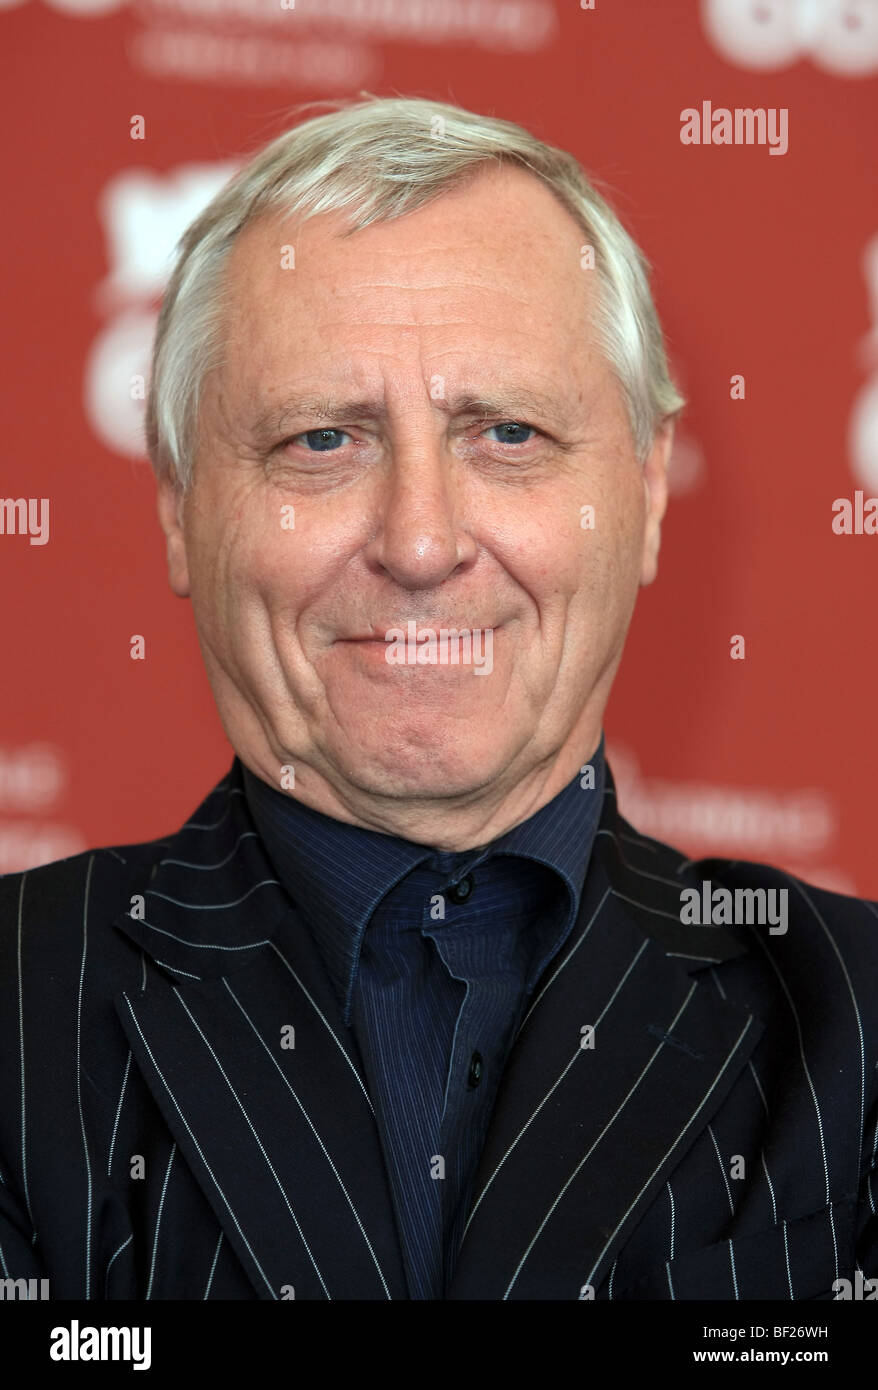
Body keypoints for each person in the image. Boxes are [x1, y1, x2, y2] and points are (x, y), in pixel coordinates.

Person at [1, 95, 876, 1302]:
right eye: (321, 441)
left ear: (647, 493)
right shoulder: (10, 1007)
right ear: (179, 512)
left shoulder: (855, 1023)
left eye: (506, 432)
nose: (418, 542)